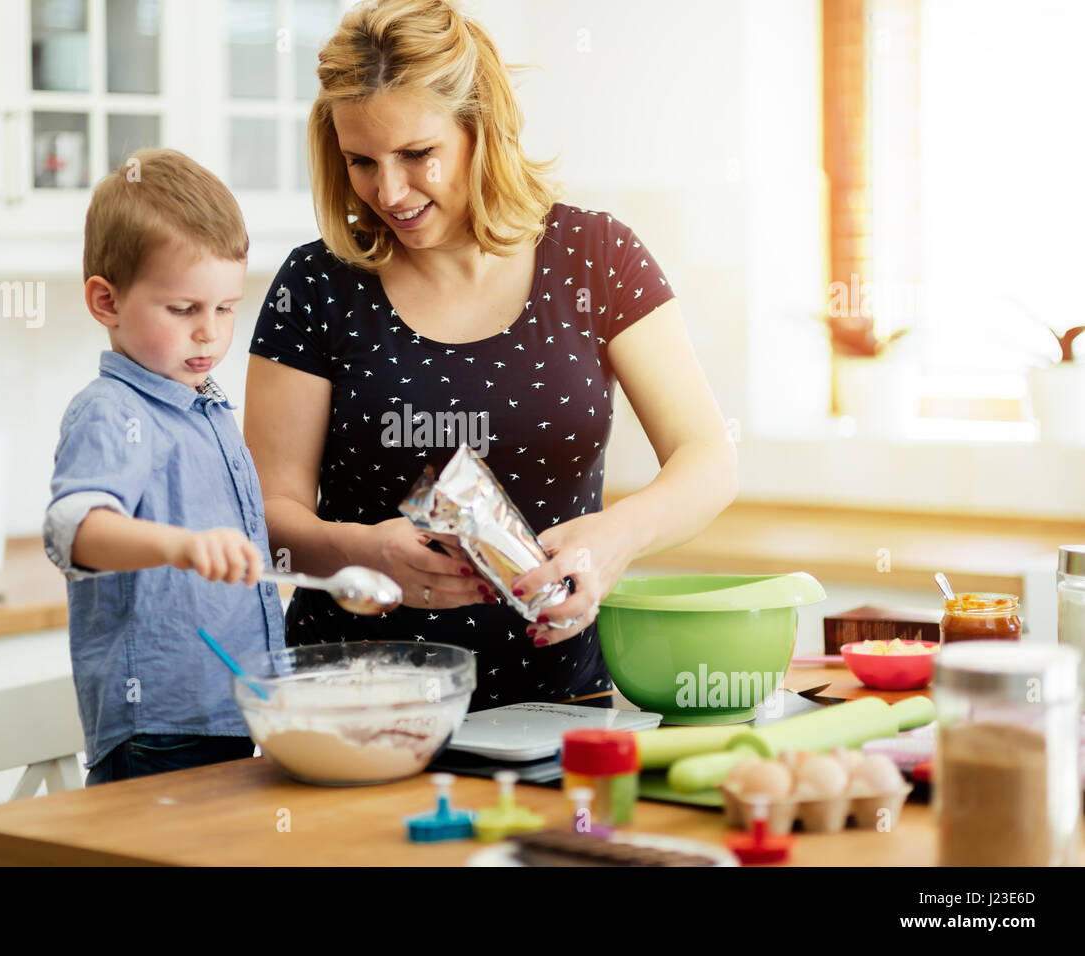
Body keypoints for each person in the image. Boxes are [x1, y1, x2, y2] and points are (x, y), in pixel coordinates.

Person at [244, 0, 737, 711]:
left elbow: (708, 459)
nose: (389, 191)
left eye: (417, 155)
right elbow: (265, 517)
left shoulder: (597, 257)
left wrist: (615, 537)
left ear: (482, 129)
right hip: (357, 708)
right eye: (361, 161)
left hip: (564, 704)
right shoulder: (316, 285)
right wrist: (360, 551)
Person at [43, 148, 284, 783]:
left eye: (226, 308)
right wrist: (178, 546)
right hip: (158, 730)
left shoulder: (204, 410)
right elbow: (74, 532)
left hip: (228, 716)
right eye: (184, 310)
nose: (210, 332)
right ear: (106, 301)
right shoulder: (111, 411)